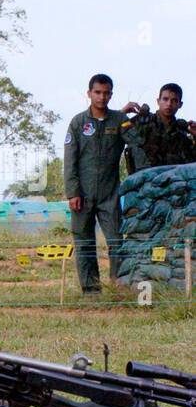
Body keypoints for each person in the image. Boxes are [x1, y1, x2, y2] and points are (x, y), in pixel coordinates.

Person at [64, 74, 128, 294]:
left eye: (107, 93)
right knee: (84, 243)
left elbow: (136, 143)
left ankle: (119, 287)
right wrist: (73, 192)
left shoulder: (119, 120)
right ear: (89, 93)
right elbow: (70, 160)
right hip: (82, 194)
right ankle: (91, 291)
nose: (102, 97)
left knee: (117, 241)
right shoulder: (78, 122)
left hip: (110, 193)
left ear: (111, 94)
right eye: (98, 92)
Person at [121, 83, 196, 172]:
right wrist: (121, 113)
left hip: (175, 182)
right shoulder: (141, 122)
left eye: (174, 100)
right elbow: (111, 137)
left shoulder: (183, 131)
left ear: (180, 104)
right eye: (165, 99)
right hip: (145, 181)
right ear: (158, 101)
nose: (169, 104)